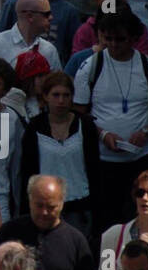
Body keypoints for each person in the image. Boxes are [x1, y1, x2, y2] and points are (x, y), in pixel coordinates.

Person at [74, 7, 148, 231]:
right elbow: (78, 111)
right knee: (105, 221)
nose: (114, 45)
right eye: (107, 39)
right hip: (103, 160)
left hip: (140, 158)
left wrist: (146, 132)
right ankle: (107, 263)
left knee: (137, 218)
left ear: (133, 39)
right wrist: (103, 134)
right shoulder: (91, 66)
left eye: (120, 39)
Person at [0, 175, 94, 270]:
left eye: (51, 207)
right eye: (39, 205)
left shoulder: (76, 241)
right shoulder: (9, 232)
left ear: (62, 203)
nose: (44, 212)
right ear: (30, 200)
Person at [19, 72, 100, 240]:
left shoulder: (85, 125)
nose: (61, 101)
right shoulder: (34, 127)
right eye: (55, 95)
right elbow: (27, 170)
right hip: (45, 206)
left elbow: (94, 167)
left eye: (66, 95)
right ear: (46, 97)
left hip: (80, 205)